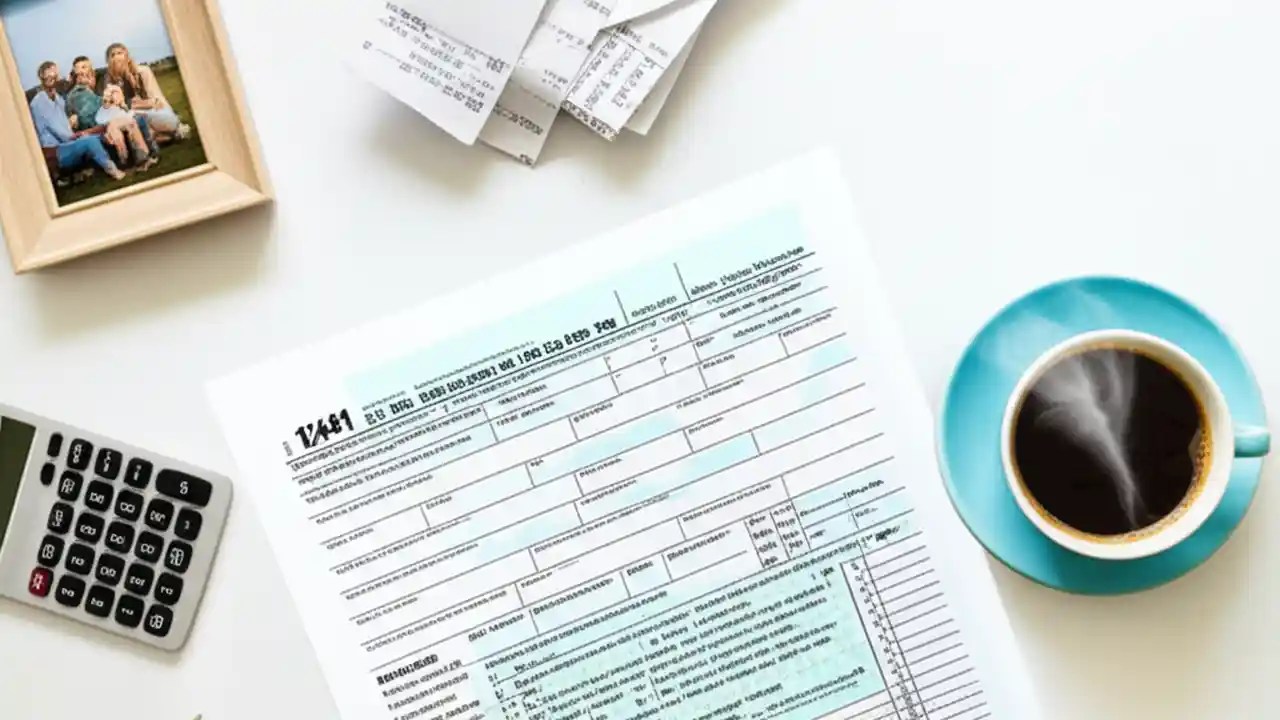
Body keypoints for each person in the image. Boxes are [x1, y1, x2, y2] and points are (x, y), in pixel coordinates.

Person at [29, 61, 125, 181]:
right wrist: (81, 135)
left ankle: (123, 160)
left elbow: (67, 125)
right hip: (55, 152)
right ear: (42, 78)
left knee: (102, 134)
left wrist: (77, 125)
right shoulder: (39, 102)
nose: (52, 78)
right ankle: (112, 170)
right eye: (48, 76)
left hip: (67, 143)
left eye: (54, 75)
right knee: (90, 141)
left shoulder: (58, 99)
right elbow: (61, 132)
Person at [66, 60, 158, 171]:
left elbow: (105, 108)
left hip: (104, 123)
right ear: (77, 77)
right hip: (94, 129)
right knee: (128, 122)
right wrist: (111, 104)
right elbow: (91, 119)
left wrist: (116, 103)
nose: (87, 76)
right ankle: (142, 159)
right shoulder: (78, 94)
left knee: (135, 118)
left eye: (89, 72)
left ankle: (147, 155)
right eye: (81, 73)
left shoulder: (91, 92)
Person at [102, 42, 190, 143]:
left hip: (159, 114)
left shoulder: (143, 71)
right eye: (113, 55)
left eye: (119, 53)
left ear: (127, 55)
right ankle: (165, 137)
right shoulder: (110, 82)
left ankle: (164, 135)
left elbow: (155, 102)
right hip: (135, 118)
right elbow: (113, 108)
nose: (117, 57)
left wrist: (132, 104)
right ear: (109, 61)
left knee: (132, 116)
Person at [96, 84, 158, 172]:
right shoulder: (104, 110)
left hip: (122, 122)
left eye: (116, 93)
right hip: (112, 126)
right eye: (112, 94)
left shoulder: (122, 107)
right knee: (130, 123)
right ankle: (143, 157)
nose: (114, 96)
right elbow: (103, 122)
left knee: (136, 120)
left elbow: (127, 112)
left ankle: (148, 154)